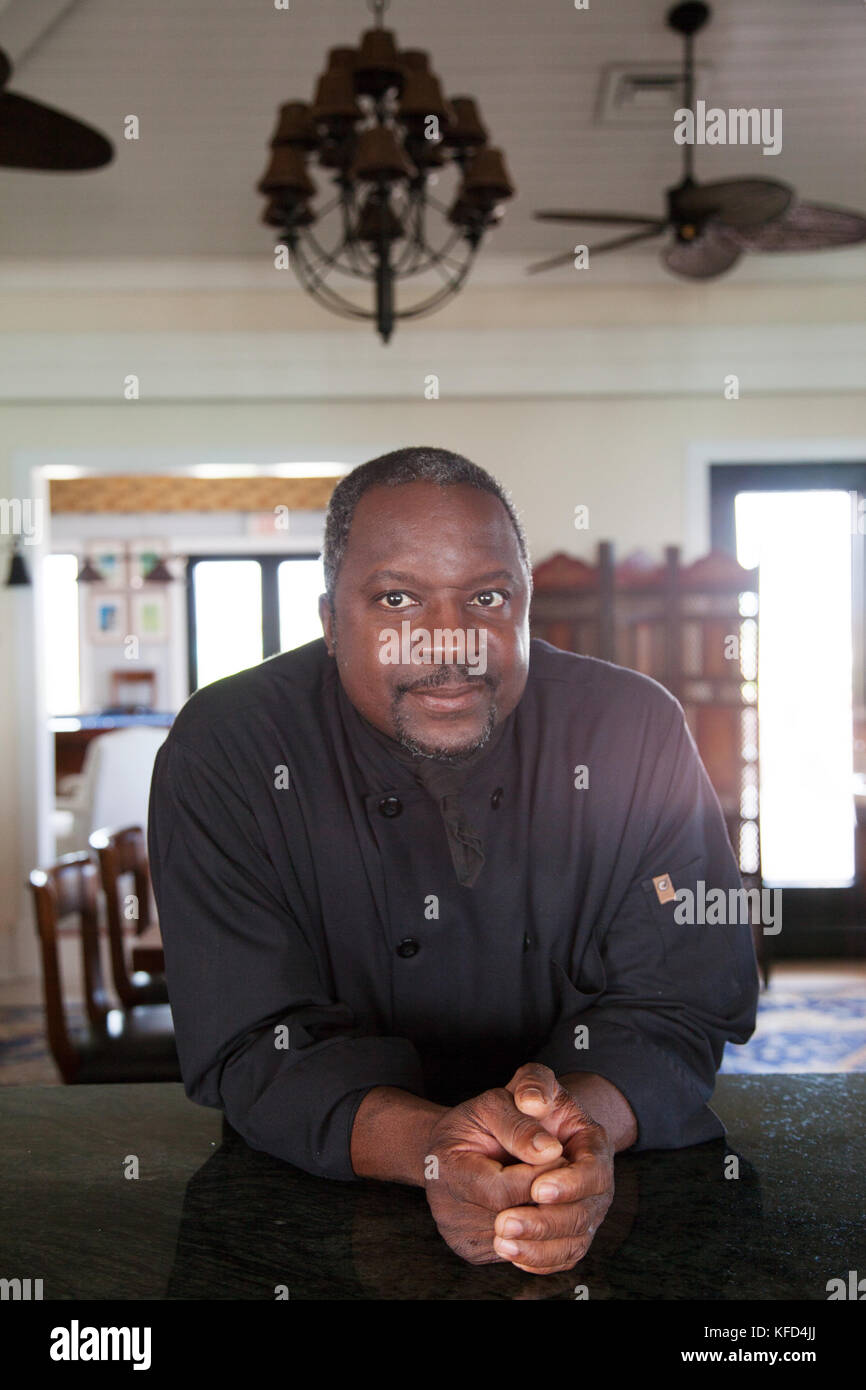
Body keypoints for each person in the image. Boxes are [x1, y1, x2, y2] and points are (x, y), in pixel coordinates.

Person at [148, 446, 758, 1276]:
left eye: (487, 597)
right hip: (319, 1211)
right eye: (397, 598)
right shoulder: (231, 743)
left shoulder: (631, 728)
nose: (450, 641)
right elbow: (251, 1039)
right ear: (331, 621)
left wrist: (569, 1136)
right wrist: (436, 1148)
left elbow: (686, 1000)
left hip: (595, 1181)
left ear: (527, 606)